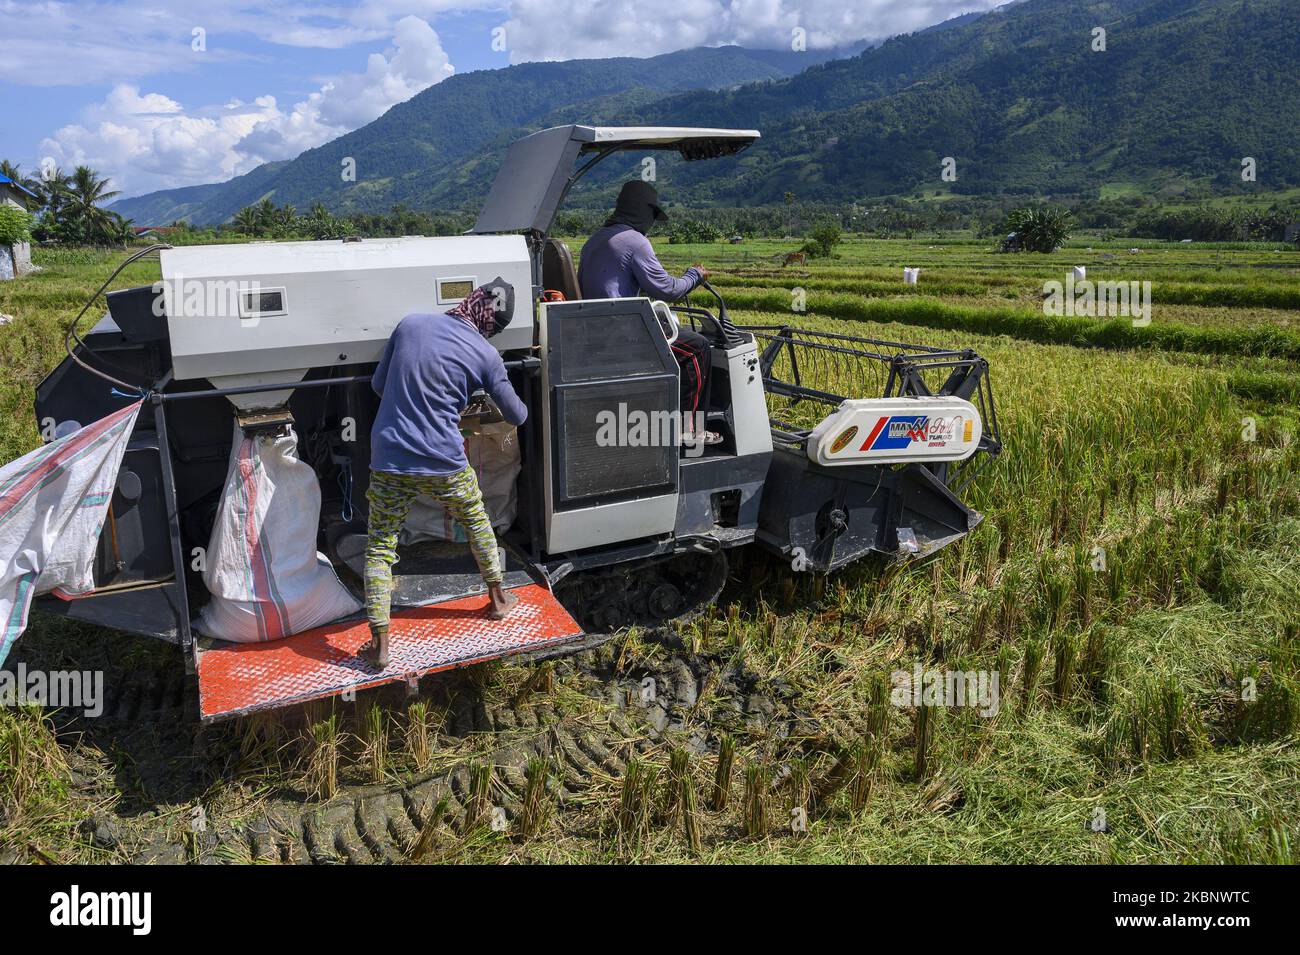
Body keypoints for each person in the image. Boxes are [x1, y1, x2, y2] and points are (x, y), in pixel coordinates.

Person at [360, 278, 528, 669]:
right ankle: (499, 599)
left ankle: (381, 644)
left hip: (389, 457)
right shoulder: (486, 355)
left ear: (471, 300)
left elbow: (379, 385)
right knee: (477, 521)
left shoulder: (410, 325)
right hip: (444, 460)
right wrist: (481, 386)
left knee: (380, 547)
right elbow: (517, 415)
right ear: (493, 325)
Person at [578, 180, 719, 445]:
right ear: (642, 212)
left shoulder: (593, 241)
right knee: (698, 348)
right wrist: (695, 276)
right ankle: (690, 430)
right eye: (652, 216)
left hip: (595, 331)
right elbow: (667, 289)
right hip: (622, 335)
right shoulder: (635, 242)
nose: (651, 223)